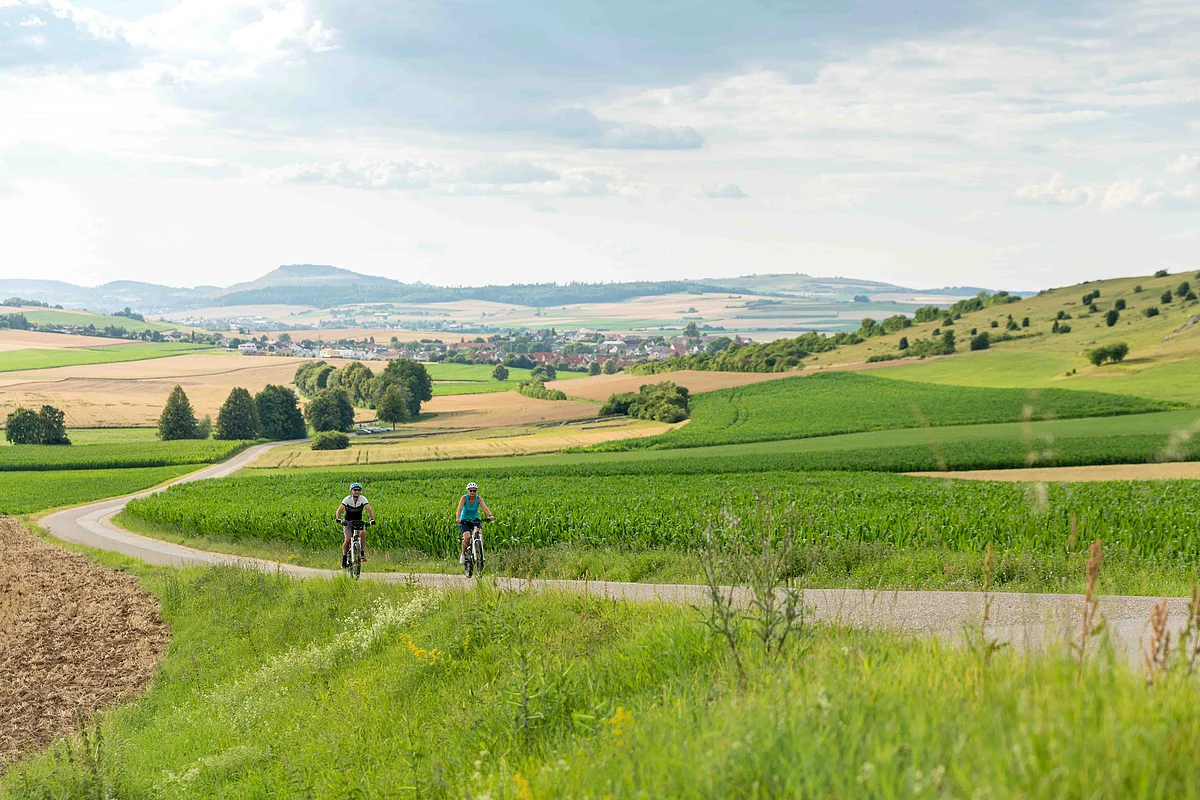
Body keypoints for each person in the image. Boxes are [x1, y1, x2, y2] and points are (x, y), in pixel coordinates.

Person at [336, 482, 375, 567]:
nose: (357, 491)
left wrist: (372, 520)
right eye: (355, 490)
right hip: (348, 521)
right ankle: (344, 558)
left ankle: (362, 552)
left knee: (363, 533)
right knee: (347, 539)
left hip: (358, 521)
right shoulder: (347, 499)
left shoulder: (363, 499)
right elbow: (340, 509)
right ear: (351, 491)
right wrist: (338, 519)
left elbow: (369, 509)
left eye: (358, 490)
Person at [456, 481, 494, 564]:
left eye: (474, 490)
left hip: (475, 520)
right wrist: (458, 518)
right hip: (464, 521)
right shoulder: (464, 498)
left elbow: (484, 507)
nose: (472, 492)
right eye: (470, 490)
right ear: (468, 491)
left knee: (480, 534)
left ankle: (480, 553)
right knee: (467, 537)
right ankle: (463, 554)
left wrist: (490, 515)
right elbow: (459, 509)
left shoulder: (478, 498)